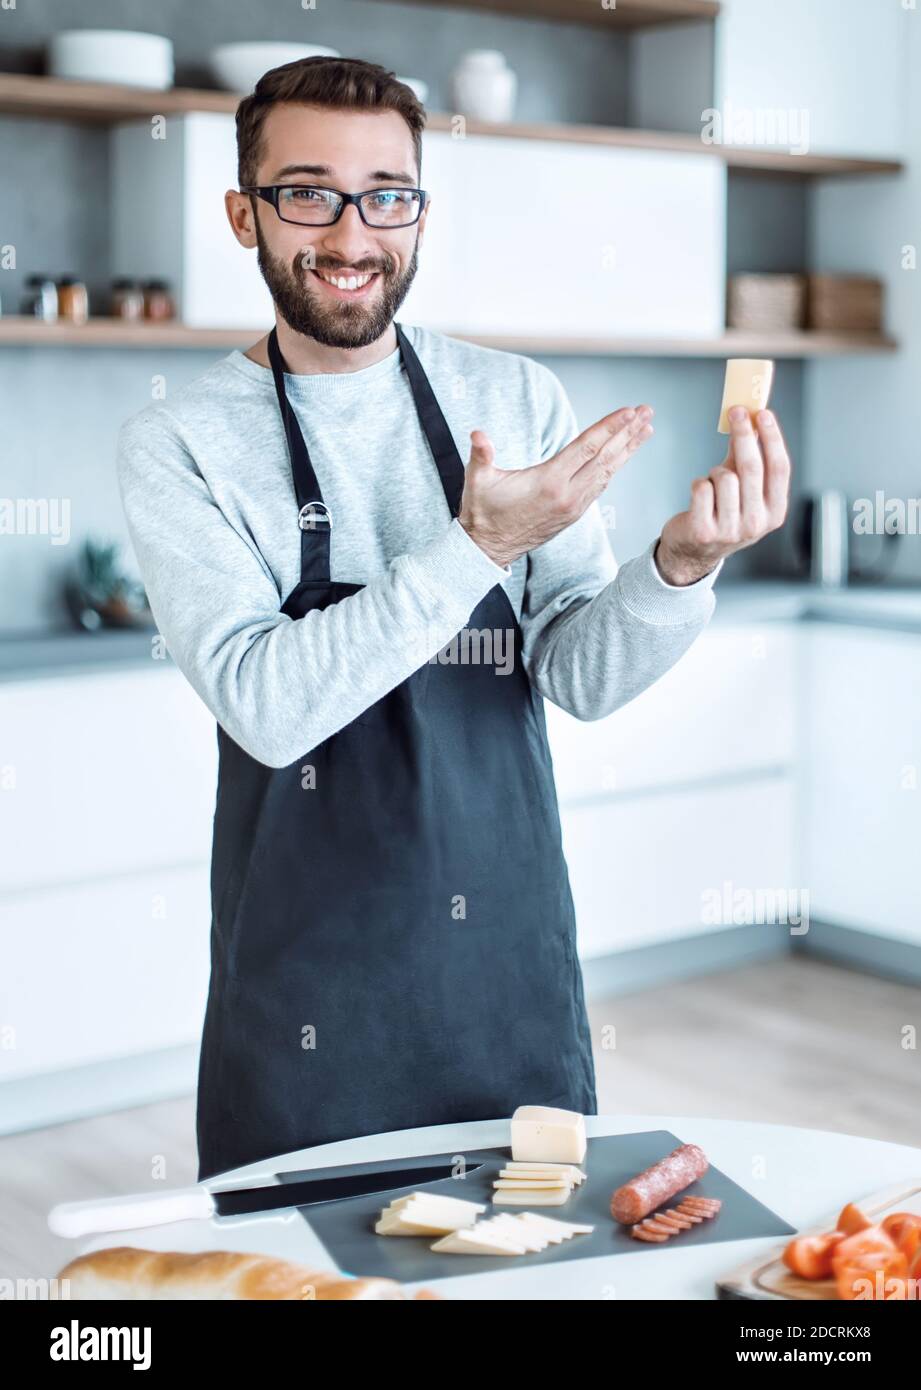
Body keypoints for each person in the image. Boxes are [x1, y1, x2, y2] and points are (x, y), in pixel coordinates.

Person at [116, 57, 792, 1181]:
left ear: (419, 212)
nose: (350, 232)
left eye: (387, 192)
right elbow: (271, 706)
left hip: (506, 973)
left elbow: (576, 673)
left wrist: (680, 566)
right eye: (306, 192)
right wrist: (473, 545)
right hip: (306, 994)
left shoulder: (515, 398)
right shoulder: (183, 441)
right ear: (245, 213)